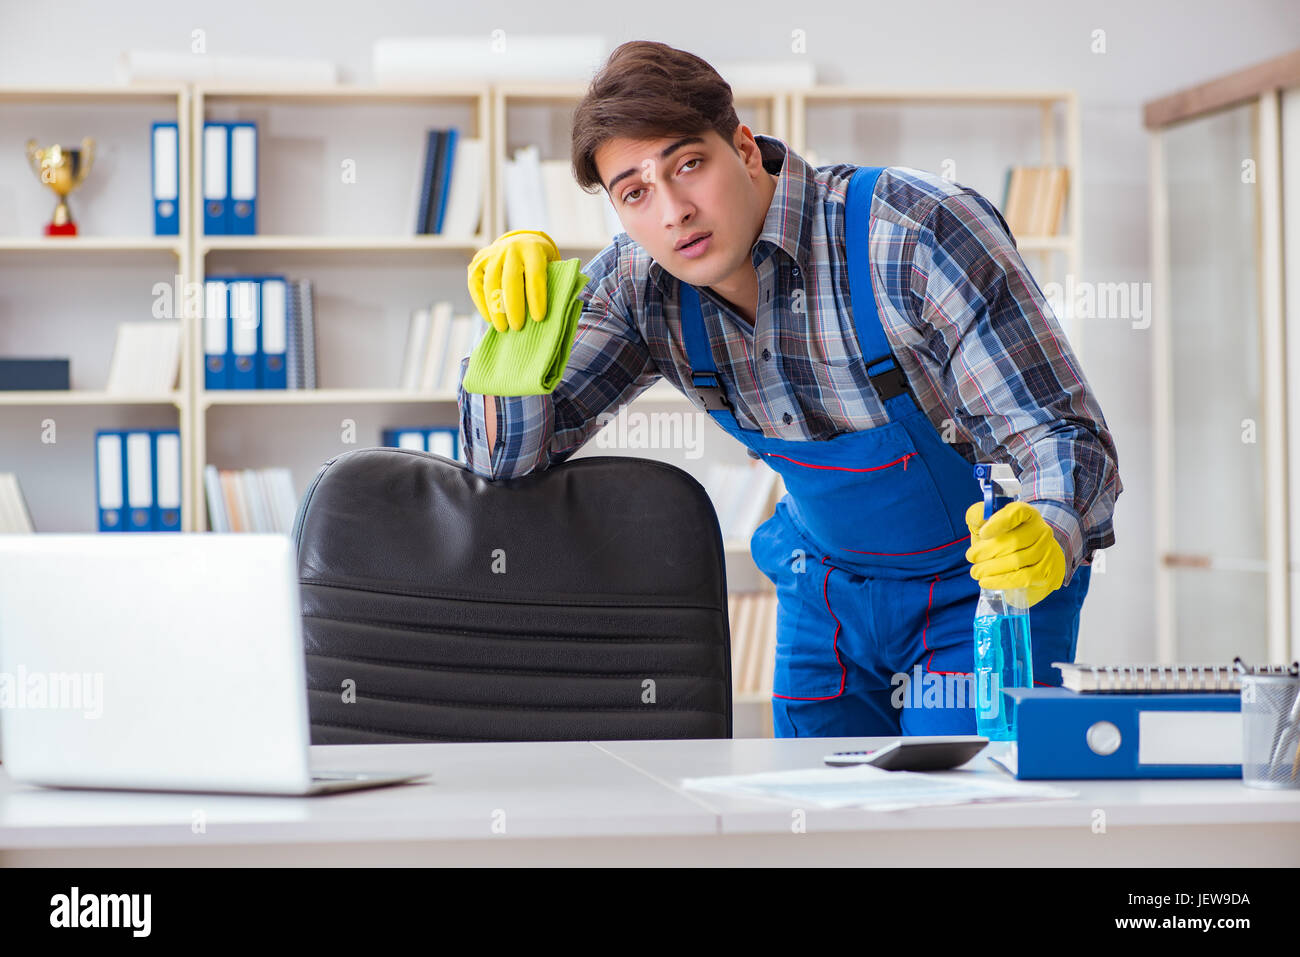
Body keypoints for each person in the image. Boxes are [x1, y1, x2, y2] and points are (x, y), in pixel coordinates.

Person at [457, 40, 1122, 737]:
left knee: (954, 810)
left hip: (981, 589)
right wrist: (517, 334)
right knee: (813, 817)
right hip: (824, 588)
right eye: (635, 192)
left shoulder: (914, 233)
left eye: (689, 163)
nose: (673, 210)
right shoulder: (637, 286)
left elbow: (1061, 434)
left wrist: (1047, 526)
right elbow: (501, 463)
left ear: (744, 148)